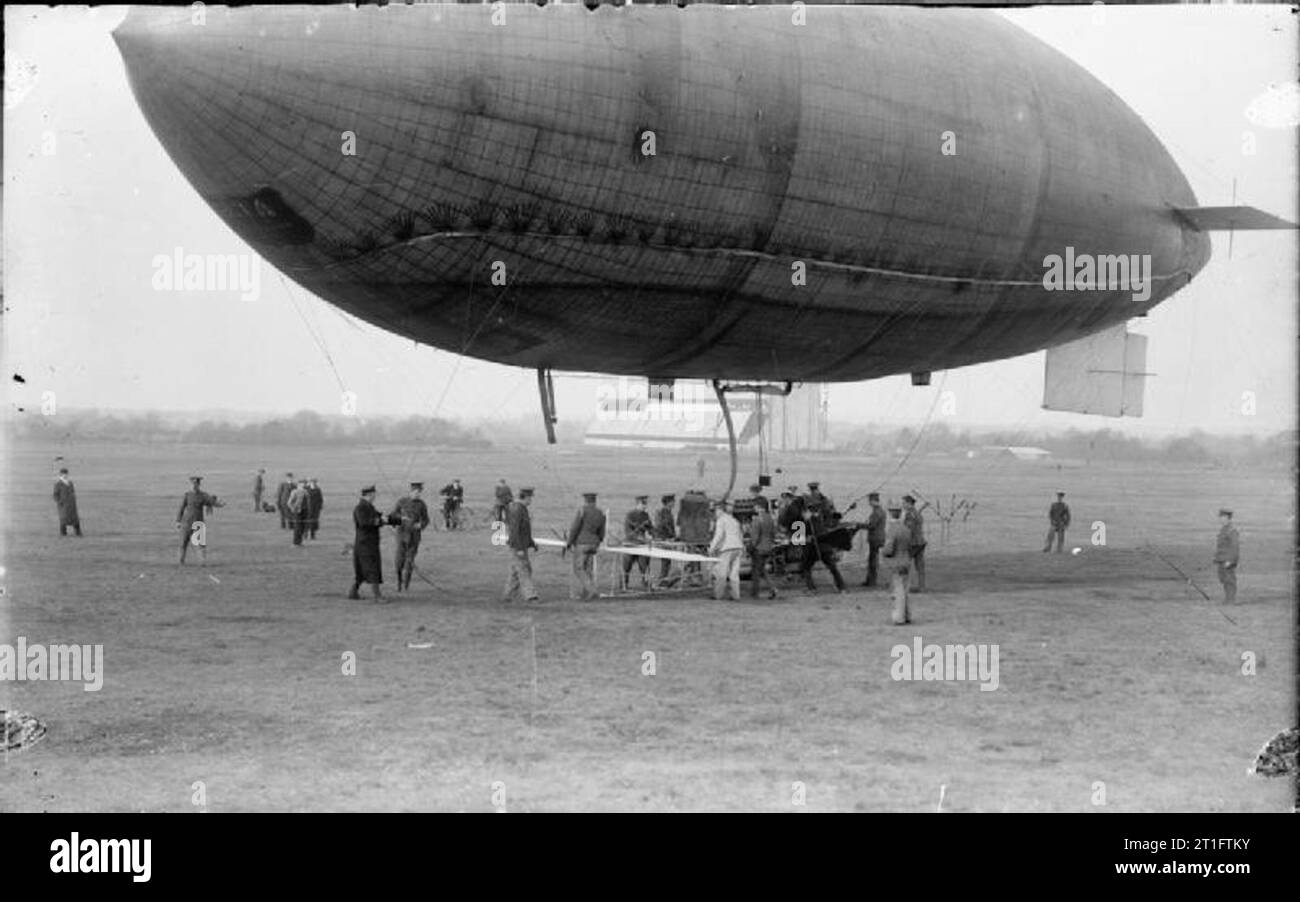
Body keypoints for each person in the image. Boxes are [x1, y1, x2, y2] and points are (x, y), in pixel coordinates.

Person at [348, 486, 388, 603]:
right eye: (373, 495)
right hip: (365, 544)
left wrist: (399, 520)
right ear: (367, 495)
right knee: (372, 569)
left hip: (368, 544)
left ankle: (353, 593)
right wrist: (380, 521)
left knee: (361, 571)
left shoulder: (369, 507)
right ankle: (377, 596)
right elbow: (364, 523)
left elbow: (380, 517)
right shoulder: (360, 508)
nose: (374, 497)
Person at [390, 482, 431, 591]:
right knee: (399, 561)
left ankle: (406, 584)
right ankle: (399, 581)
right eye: (416, 492)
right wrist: (401, 518)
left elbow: (426, 519)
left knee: (410, 562)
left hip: (414, 537)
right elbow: (393, 515)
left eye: (420, 492)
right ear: (411, 492)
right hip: (402, 536)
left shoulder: (422, 504)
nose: (418, 494)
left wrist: (421, 525)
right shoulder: (401, 502)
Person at [566, 491, 606, 600]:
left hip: (582, 543)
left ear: (585, 500)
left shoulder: (582, 511)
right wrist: (598, 541)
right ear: (594, 501)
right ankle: (586, 593)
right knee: (588, 569)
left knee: (578, 568)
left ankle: (591, 590)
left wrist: (569, 542)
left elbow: (575, 528)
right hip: (594, 543)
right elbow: (602, 532)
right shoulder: (600, 513)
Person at [502, 487, 540, 604]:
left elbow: (525, 530)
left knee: (516, 571)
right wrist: (519, 548)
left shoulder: (521, 508)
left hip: (521, 545)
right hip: (517, 546)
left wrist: (532, 543)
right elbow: (515, 530)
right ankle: (531, 595)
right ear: (526, 497)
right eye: (530, 498)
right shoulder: (516, 509)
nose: (531, 501)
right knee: (524, 570)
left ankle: (508, 595)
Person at [176, 476, 223, 565]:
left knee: (200, 544)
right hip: (186, 522)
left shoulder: (203, 495)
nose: (194, 486)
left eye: (196, 484)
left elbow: (211, 502)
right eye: (193, 484)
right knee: (183, 543)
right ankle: (181, 561)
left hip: (198, 522)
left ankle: (202, 562)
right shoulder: (187, 495)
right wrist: (178, 521)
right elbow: (181, 508)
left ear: (199, 485)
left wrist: (219, 504)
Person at [881, 506, 912, 624]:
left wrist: (882, 551)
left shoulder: (892, 530)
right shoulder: (906, 529)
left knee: (898, 591)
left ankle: (899, 617)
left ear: (890, 515)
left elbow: (889, 549)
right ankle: (907, 614)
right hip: (906, 560)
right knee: (905, 589)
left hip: (896, 563)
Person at [708, 498, 744, 601]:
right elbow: (740, 535)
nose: (714, 514)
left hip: (727, 548)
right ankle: (736, 595)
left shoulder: (721, 520)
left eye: (715, 511)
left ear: (719, 510)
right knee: (734, 574)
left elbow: (718, 536)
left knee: (722, 573)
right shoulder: (734, 520)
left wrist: (712, 548)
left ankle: (718, 595)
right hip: (738, 547)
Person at [677, 488, 713, 585]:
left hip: (688, 537)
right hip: (699, 537)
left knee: (691, 558)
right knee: (695, 558)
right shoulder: (703, 507)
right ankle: (695, 577)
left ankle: (692, 577)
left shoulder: (685, 509)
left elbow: (679, 523)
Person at [748, 496, 778, 600]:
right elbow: (774, 533)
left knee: (756, 571)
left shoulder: (757, 519)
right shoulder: (770, 518)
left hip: (759, 548)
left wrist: (751, 547)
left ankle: (755, 593)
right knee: (762, 570)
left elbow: (755, 537)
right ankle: (772, 588)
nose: (754, 508)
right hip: (768, 547)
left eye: (755, 506)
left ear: (759, 506)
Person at [621, 495, 653, 590]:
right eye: (643, 504)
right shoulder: (630, 515)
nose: (645, 506)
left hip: (642, 546)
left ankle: (647, 584)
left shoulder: (646, 515)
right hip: (630, 545)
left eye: (646, 503)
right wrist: (640, 538)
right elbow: (628, 532)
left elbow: (651, 528)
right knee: (626, 567)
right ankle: (624, 584)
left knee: (645, 567)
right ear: (637, 504)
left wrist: (651, 535)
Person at [1213, 508, 1240, 603]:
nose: (1222, 519)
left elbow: (1235, 547)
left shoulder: (1232, 530)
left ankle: (1231, 600)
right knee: (1224, 579)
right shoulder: (1223, 529)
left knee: (1229, 580)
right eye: (1221, 517)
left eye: (1224, 517)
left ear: (1229, 518)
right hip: (1221, 559)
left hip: (1228, 560)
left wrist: (1231, 560)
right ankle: (1227, 598)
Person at [862, 492, 887, 587]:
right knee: (872, 559)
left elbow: (871, 526)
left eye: (870, 501)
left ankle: (872, 581)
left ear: (874, 501)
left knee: (872, 560)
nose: (869, 503)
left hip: (875, 538)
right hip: (878, 537)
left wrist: (859, 526)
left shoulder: (877, 512)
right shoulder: (879, 510)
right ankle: (870, 580)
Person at [903, 495, 927, 592]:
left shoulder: (910, 515)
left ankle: (906, 586)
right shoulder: (916, 513)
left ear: (909, 504)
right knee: (920, 566)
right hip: (921, 542)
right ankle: (921, 587)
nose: (903, 505)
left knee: (905, 564)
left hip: (913, 543)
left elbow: (909, 530)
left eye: (904, 503)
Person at [652, 493, 677, 584]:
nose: (674, 503)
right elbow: (659, 526)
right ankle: (661, 580)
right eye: (672, 501)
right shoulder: (661, 512)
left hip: (668, 539)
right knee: (665, 561)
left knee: (667, 562)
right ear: (668, 503)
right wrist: (667, 537)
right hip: (663, 539)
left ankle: (663, 579)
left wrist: (674, 536)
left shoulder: (669, 512)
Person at [53, 467, 82, 537]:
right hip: (63, 505)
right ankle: (63, 533)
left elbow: (72, 491)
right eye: (63, 474)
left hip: (72, 504)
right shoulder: (58, 484)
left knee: (75, 518)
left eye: (66, 474)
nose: (65, 475)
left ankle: (78, 532)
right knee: (63, 518)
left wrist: (73, 498)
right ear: (60, 475)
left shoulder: (70, 482)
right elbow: (55, 495)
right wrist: (60, 502)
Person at [288, 478, 312, 546]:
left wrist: (308, 510)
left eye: (305, 484)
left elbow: (308, 502)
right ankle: (295, 543)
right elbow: (289, 503)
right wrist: (293, 509)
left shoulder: (306, 492)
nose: (304, 485)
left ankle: (300, 542)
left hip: (305, 511)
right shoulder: (294, 492)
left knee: (303, 527)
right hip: (298, 512)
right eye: (302, 484)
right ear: (299, 485)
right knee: (297, 527)